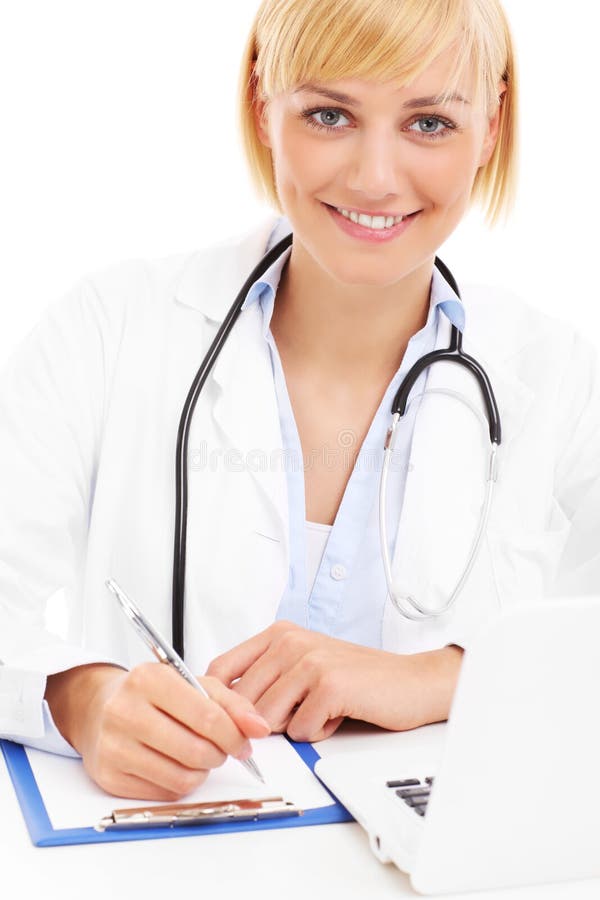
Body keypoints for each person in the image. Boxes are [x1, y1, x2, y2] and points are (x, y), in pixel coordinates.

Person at [1, 0, 598, 802]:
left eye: (429, 124)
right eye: (329, 115)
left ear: (491, 126)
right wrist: (78, 697)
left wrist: (440, 678)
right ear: (262, 106)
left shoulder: (561, 379)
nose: (375, 177)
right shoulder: (106, 332)